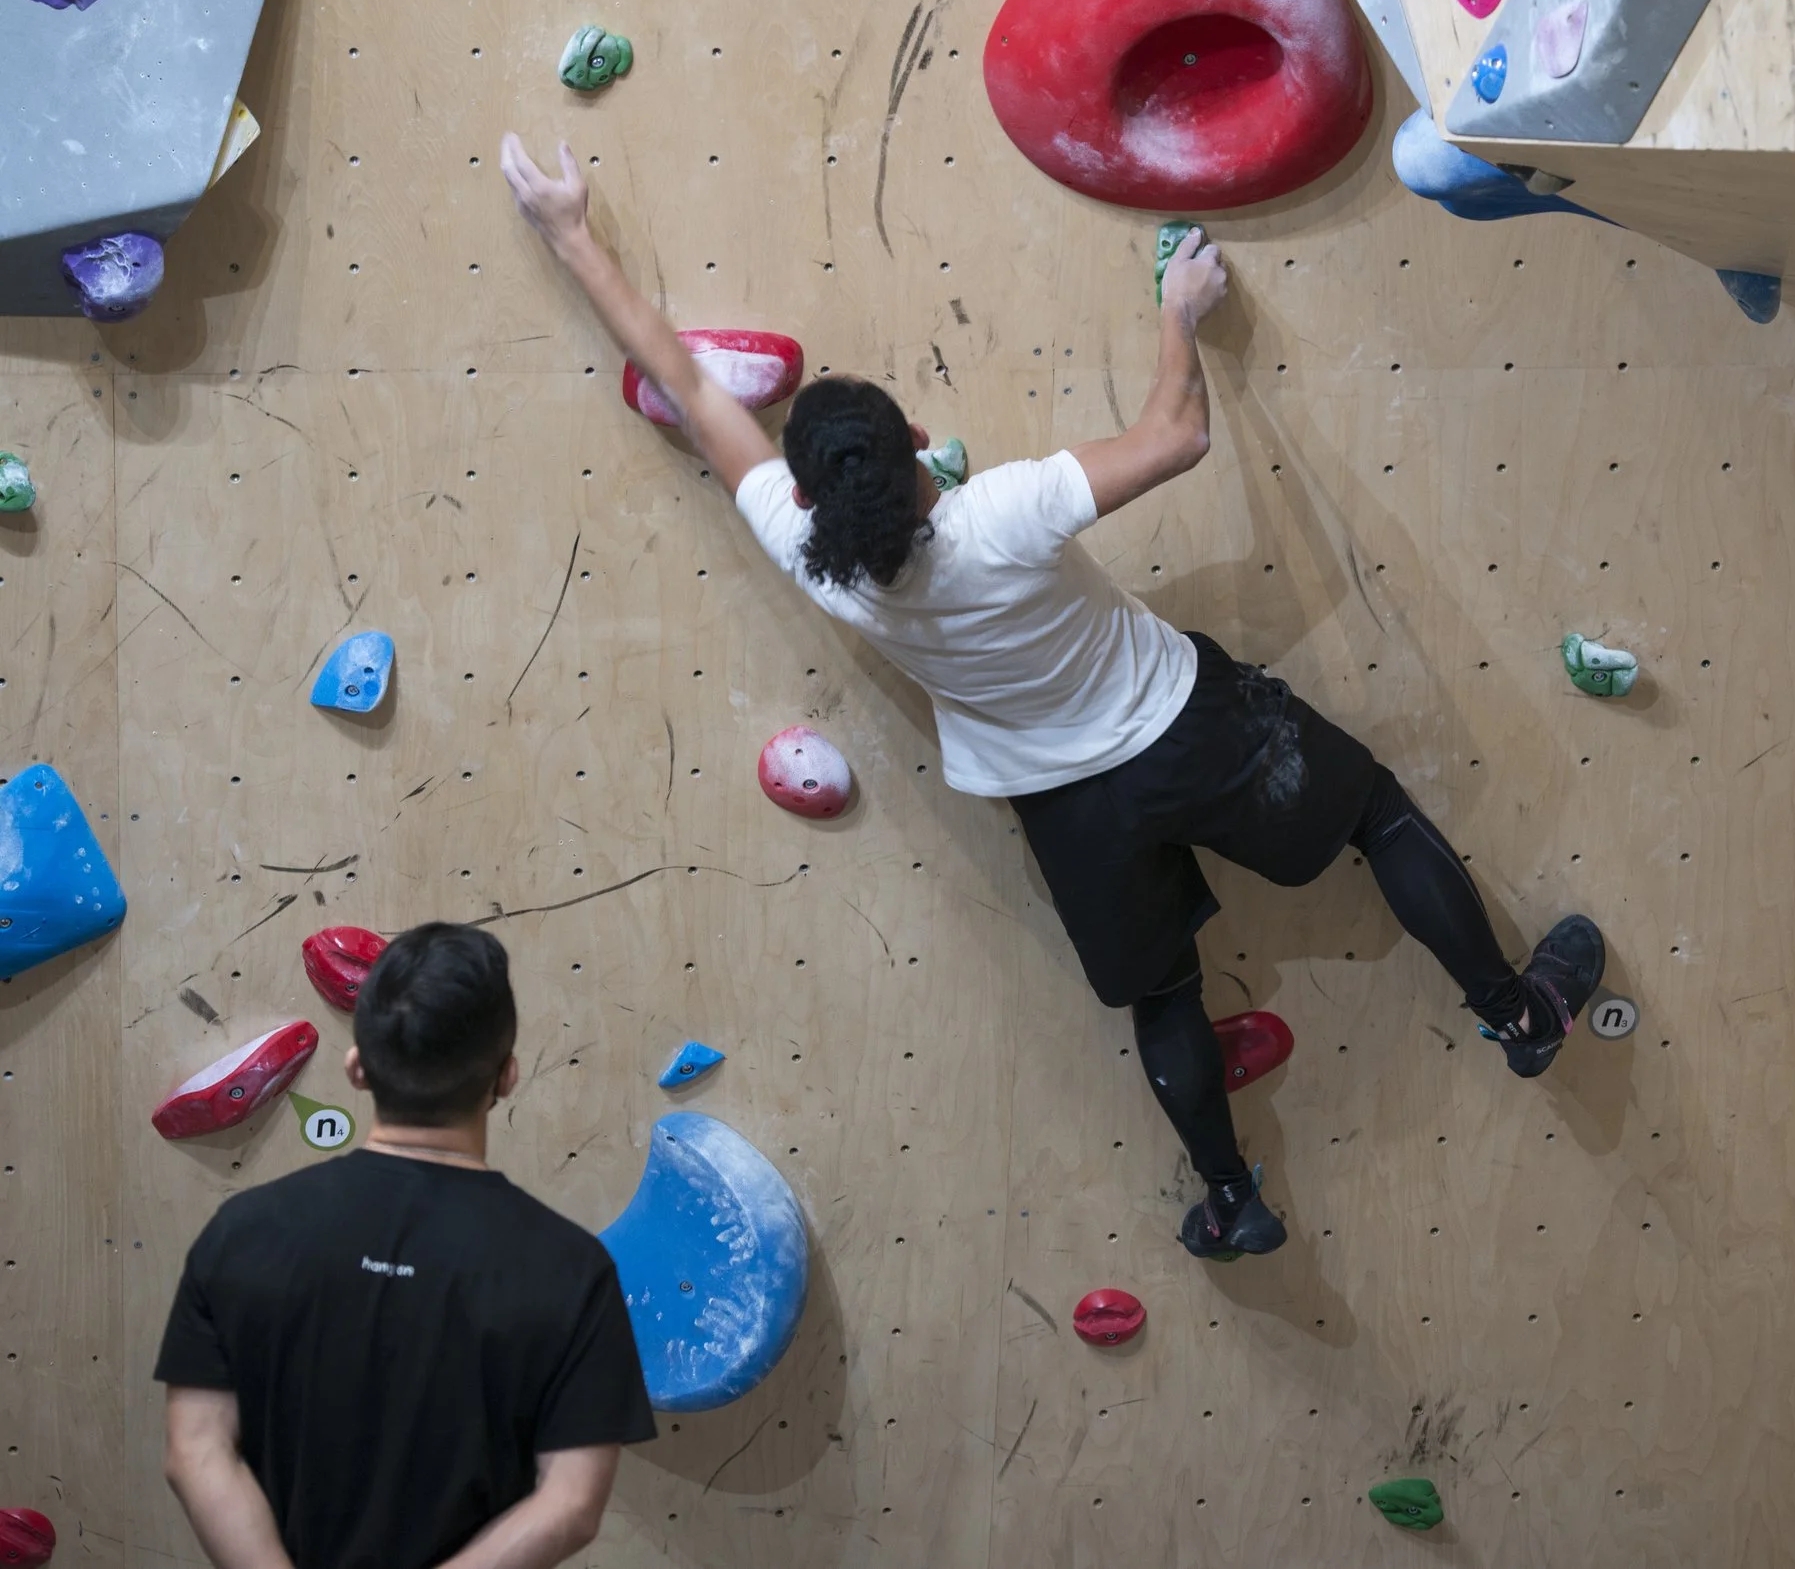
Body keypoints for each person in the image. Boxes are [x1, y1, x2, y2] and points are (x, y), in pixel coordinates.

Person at [499, 133, 1606, 1260]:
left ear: (809, 497)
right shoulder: (998, 512)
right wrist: (1179, 309)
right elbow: (1176, 434)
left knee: (1164, 991)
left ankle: (1231, 1201)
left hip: (1070, 812)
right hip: (1189, 728)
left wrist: (570, 236)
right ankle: (1518, 1012)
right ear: (920, 447)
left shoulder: (811, 558)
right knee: (1371, 813)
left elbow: (685, 383)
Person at [156, 923, 655, 1569]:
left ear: (357, 1066)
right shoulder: (571, 1267)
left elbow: (194, 1451)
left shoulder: (241, 1230)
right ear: (506, 1076)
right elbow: (572, 1502)